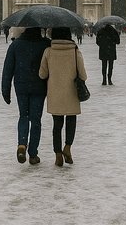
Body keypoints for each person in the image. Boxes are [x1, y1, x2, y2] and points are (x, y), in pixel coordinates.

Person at [1, 27, 50, 165]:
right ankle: (33, 154)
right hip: (39, 87)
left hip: (21, 86)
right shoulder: (45, 44)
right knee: (36, 120)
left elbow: (7, 69)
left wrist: (5, 90)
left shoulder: (16, 45)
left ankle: (22, 144)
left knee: (24, 116)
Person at [39, 27, 87, 167]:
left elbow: (42, 74)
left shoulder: (48, 51)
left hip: (55, 93)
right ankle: (67, 148)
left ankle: (58, 155)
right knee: (71, 121)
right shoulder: (75, 52)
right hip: (72, 93)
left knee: (57, 126)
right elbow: (83, 76)